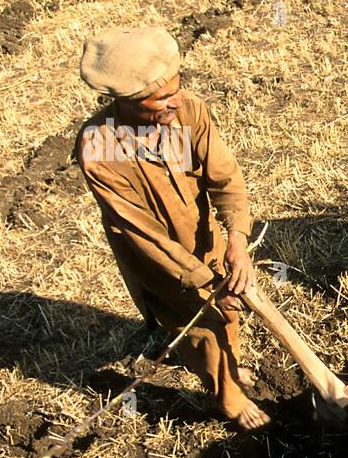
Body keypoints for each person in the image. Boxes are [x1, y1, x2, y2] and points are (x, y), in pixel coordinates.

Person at [74, 26, 270, 429]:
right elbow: (145, 235)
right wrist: (203, 281)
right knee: (202, 325)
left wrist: (236, 240)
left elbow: (225, 179)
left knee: (228, 314)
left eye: (177, 89)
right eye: (162, 98)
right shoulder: (99, 148)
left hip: (205, 238)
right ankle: (227, 397)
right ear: (126, 101)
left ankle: (228, 367)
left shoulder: (188, 112)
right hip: (162, 262)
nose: (175, 101)